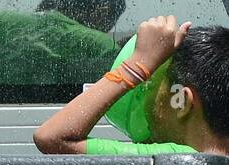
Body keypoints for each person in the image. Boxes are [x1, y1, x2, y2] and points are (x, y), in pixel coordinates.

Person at [34, 15, 229, 155]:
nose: (144, 106)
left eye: (150, 86)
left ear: (182, 101)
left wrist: (137, 66)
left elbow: (52, 138)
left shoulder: (175, 157)